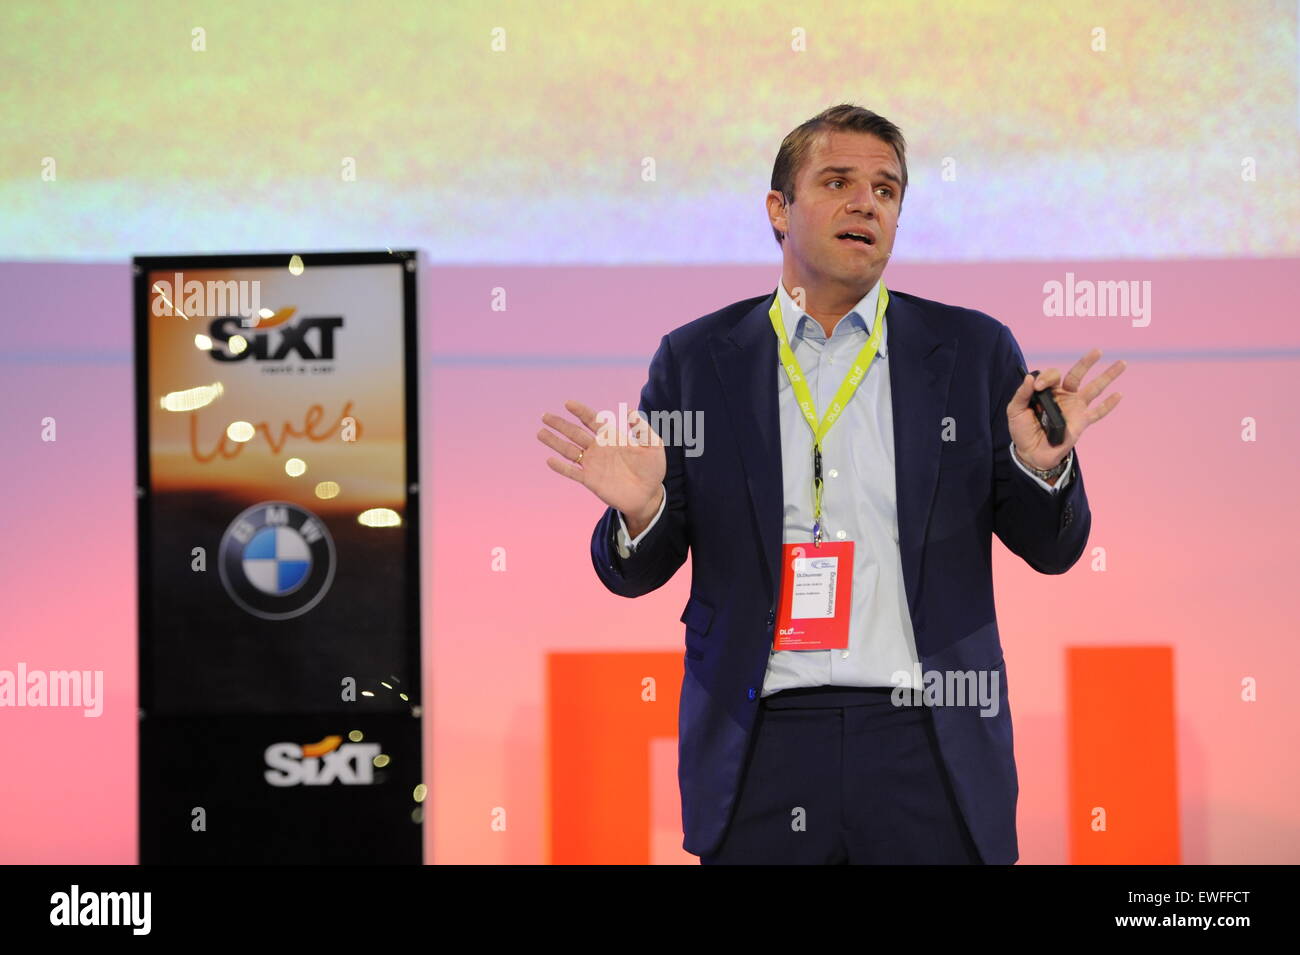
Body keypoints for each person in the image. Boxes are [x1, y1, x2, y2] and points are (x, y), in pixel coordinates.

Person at [537, 104, 1125, 864]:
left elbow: (1052, 550)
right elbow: (639, 570)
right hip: (761, 747)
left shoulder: (972, 350)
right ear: (778, 209)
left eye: (886, 190)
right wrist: (645, 510)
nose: (866, 204)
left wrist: (1043, 467)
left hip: (928, 745)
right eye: (838, 181)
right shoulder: (697, 359)